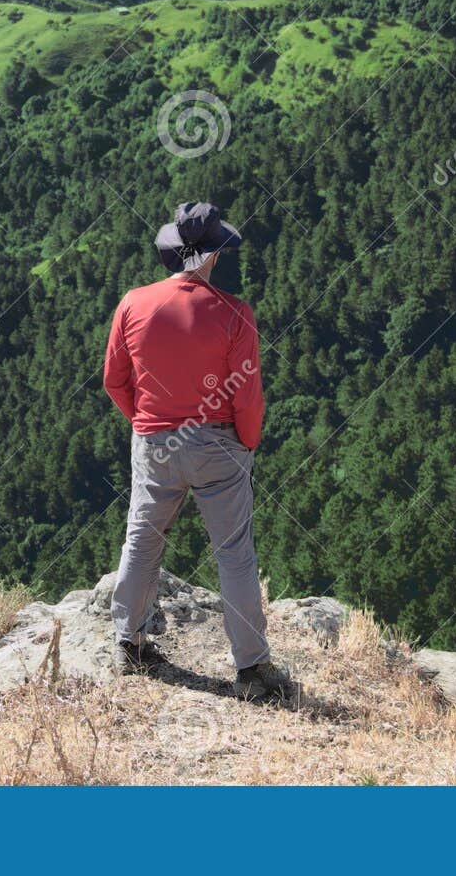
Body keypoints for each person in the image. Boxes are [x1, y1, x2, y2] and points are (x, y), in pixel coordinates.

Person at [101, 201, 291, 700]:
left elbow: (114, 381)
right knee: (233, 554)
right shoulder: (234, 314)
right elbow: (246, 393)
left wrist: (149, 426)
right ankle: (252, 671)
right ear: (212, 254)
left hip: (155, 443)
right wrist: (245, 441)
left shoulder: (133, 304)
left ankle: (130, 643)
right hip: (217, 443)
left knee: (143, 542)